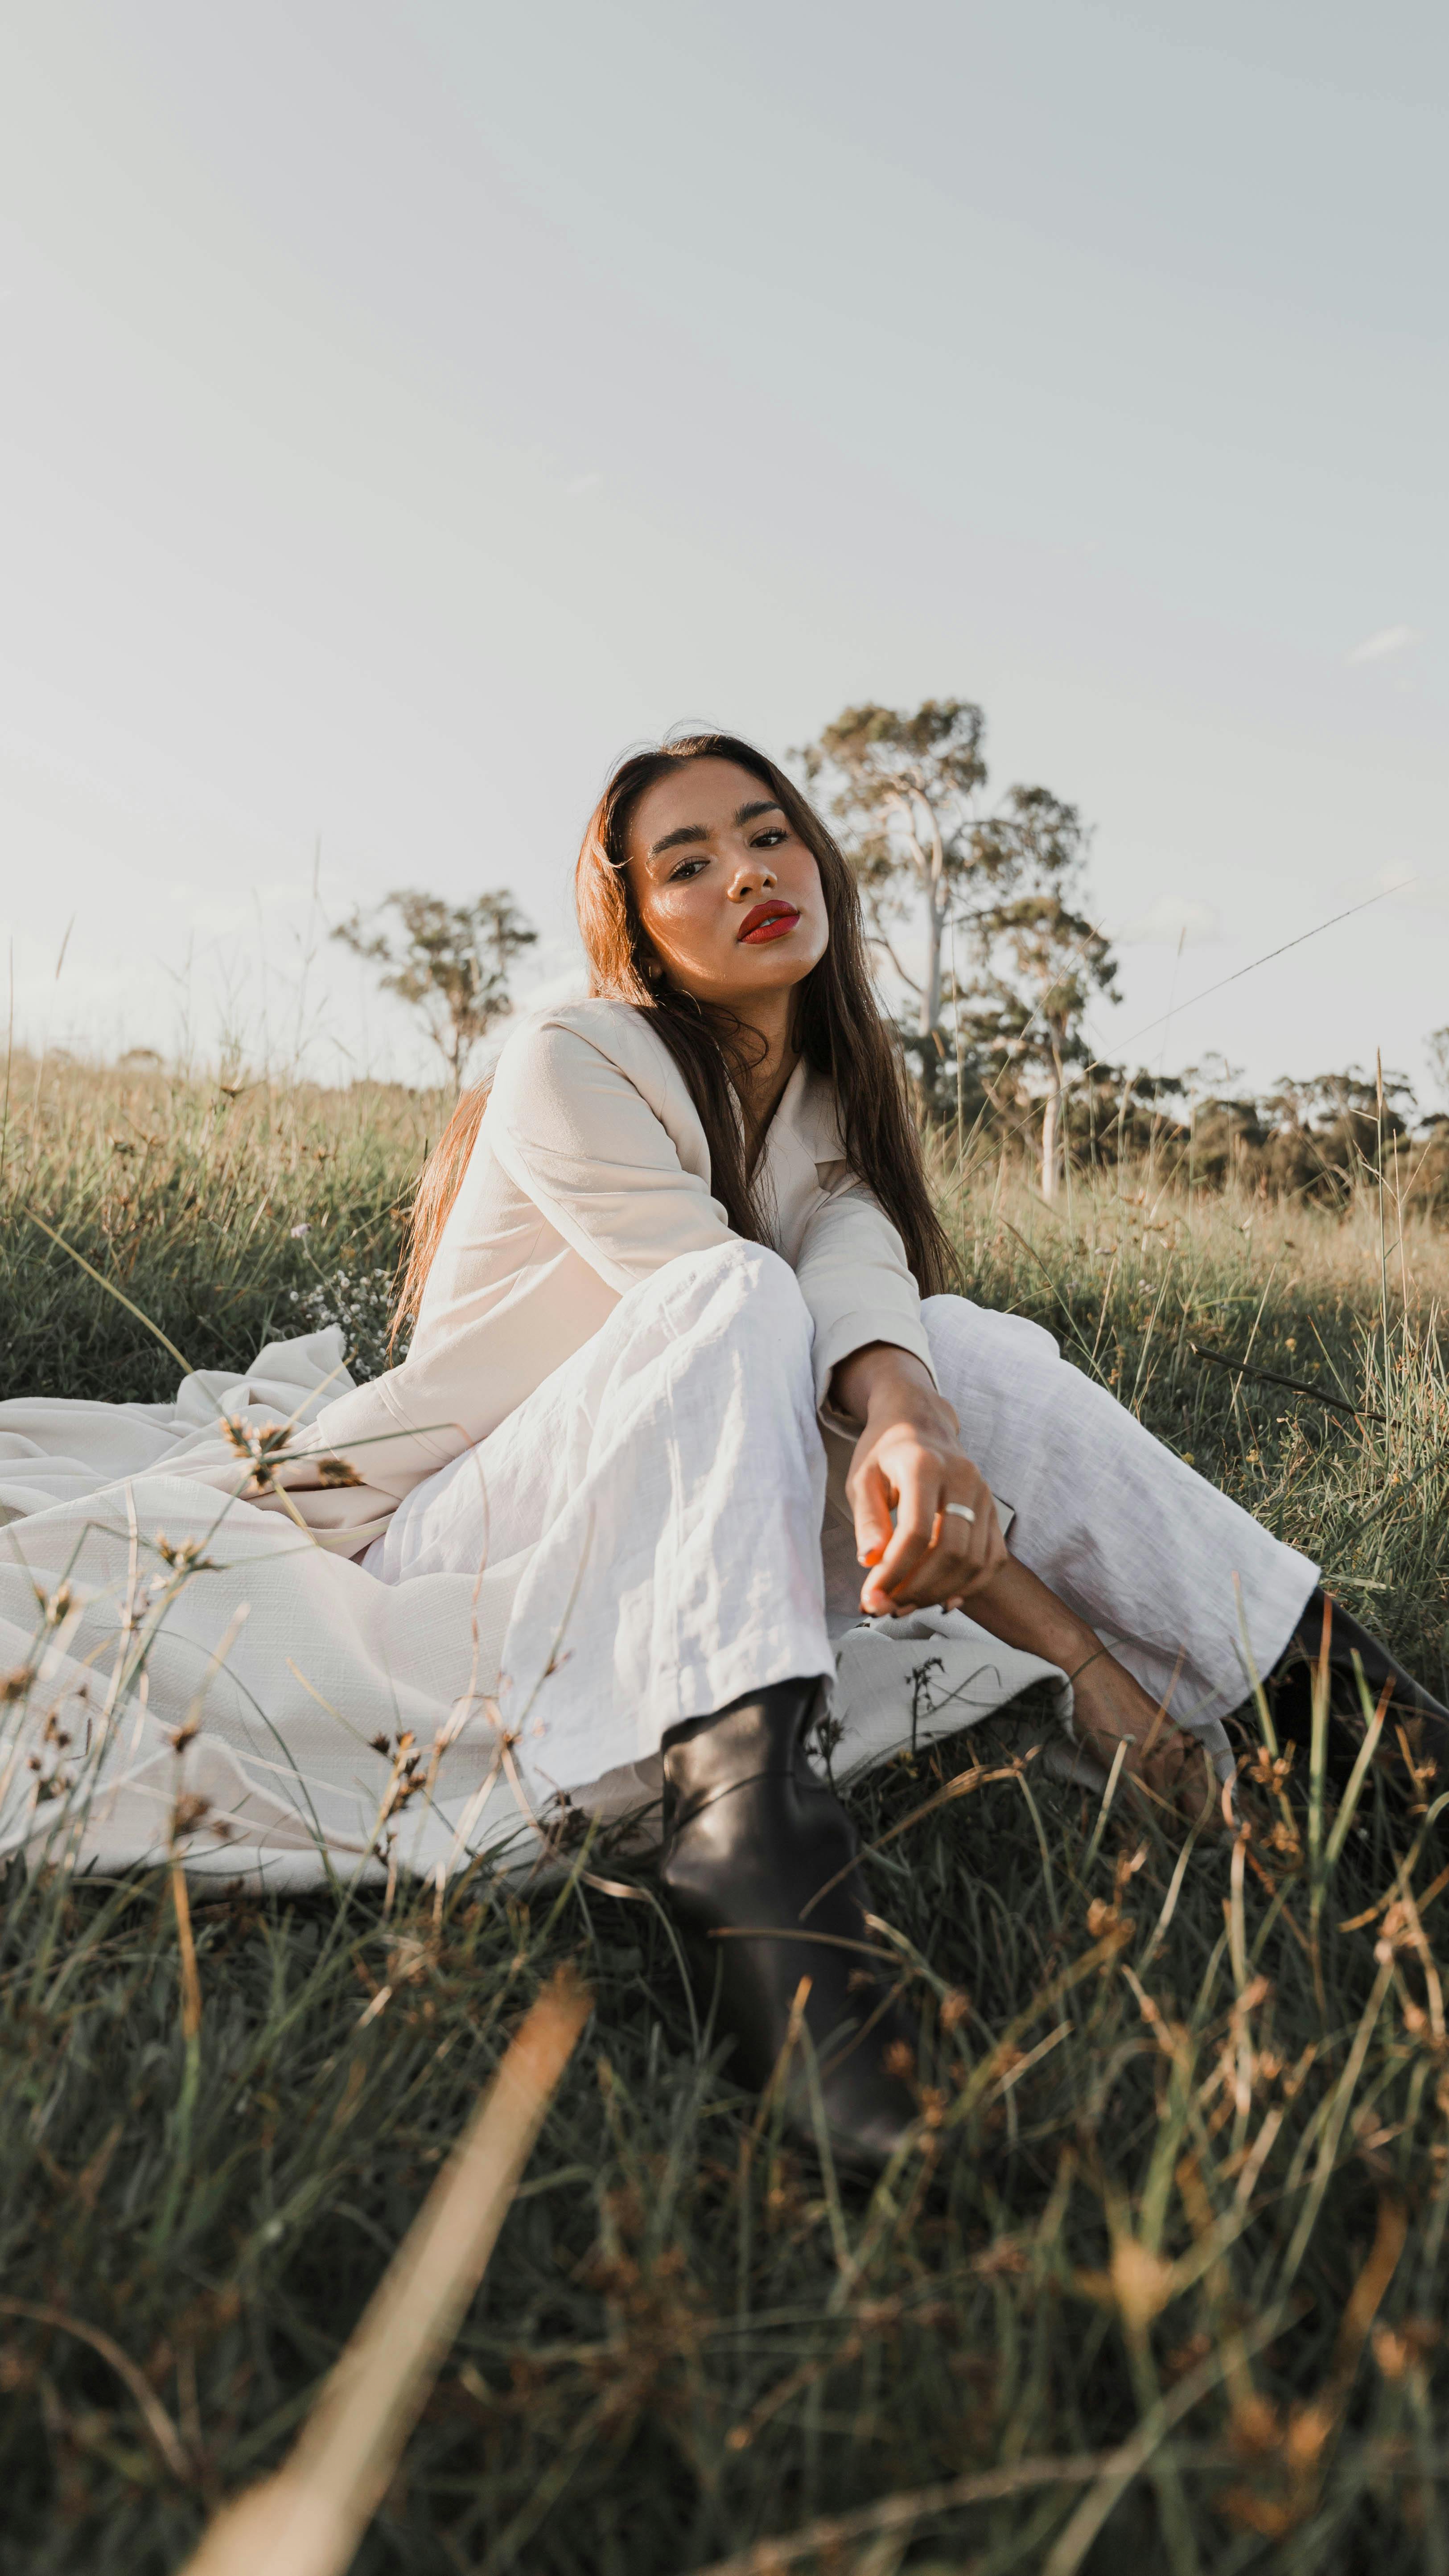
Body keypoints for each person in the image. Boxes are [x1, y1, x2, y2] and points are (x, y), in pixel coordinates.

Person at [303, 732, 1442, 2173]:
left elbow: (870, 1330)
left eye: (767, 834)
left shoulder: (828, 1103)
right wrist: (1086, 1667)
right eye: (687, 863)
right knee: (736, 1294)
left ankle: (1383, 1761)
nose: (746, 874)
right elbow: (757, 1337)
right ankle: (753, 1870)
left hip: (666, 1537)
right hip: (460, 1549)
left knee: (963, 1351)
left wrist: (915, 1413)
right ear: (632, 924)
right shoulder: (571, 1059)